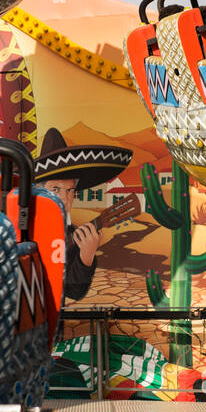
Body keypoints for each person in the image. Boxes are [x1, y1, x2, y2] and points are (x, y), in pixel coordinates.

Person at [33, 127, 133, 301]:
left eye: (70, 190)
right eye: (56, 189)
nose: (65, 199)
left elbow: (74, 291)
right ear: (40, 190)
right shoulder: (24, 228)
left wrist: (86, 256)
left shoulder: (72, 235)